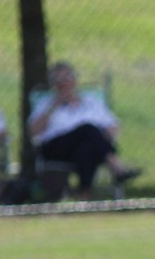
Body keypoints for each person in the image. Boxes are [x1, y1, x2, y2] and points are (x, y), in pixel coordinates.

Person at [27, 62, 141, 197]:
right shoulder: (45, 104)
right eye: (59, 80)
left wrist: (104, 136)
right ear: (53, 84)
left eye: (67, 79)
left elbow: (113, 126)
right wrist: (54, 106)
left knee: (85, 148)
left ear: (74, 80)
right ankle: (116, 166)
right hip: (56, 148)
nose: (64, 84)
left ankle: (84, 194)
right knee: (88, 129)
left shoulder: (91, 102)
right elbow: (33, 132)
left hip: (91, 147)